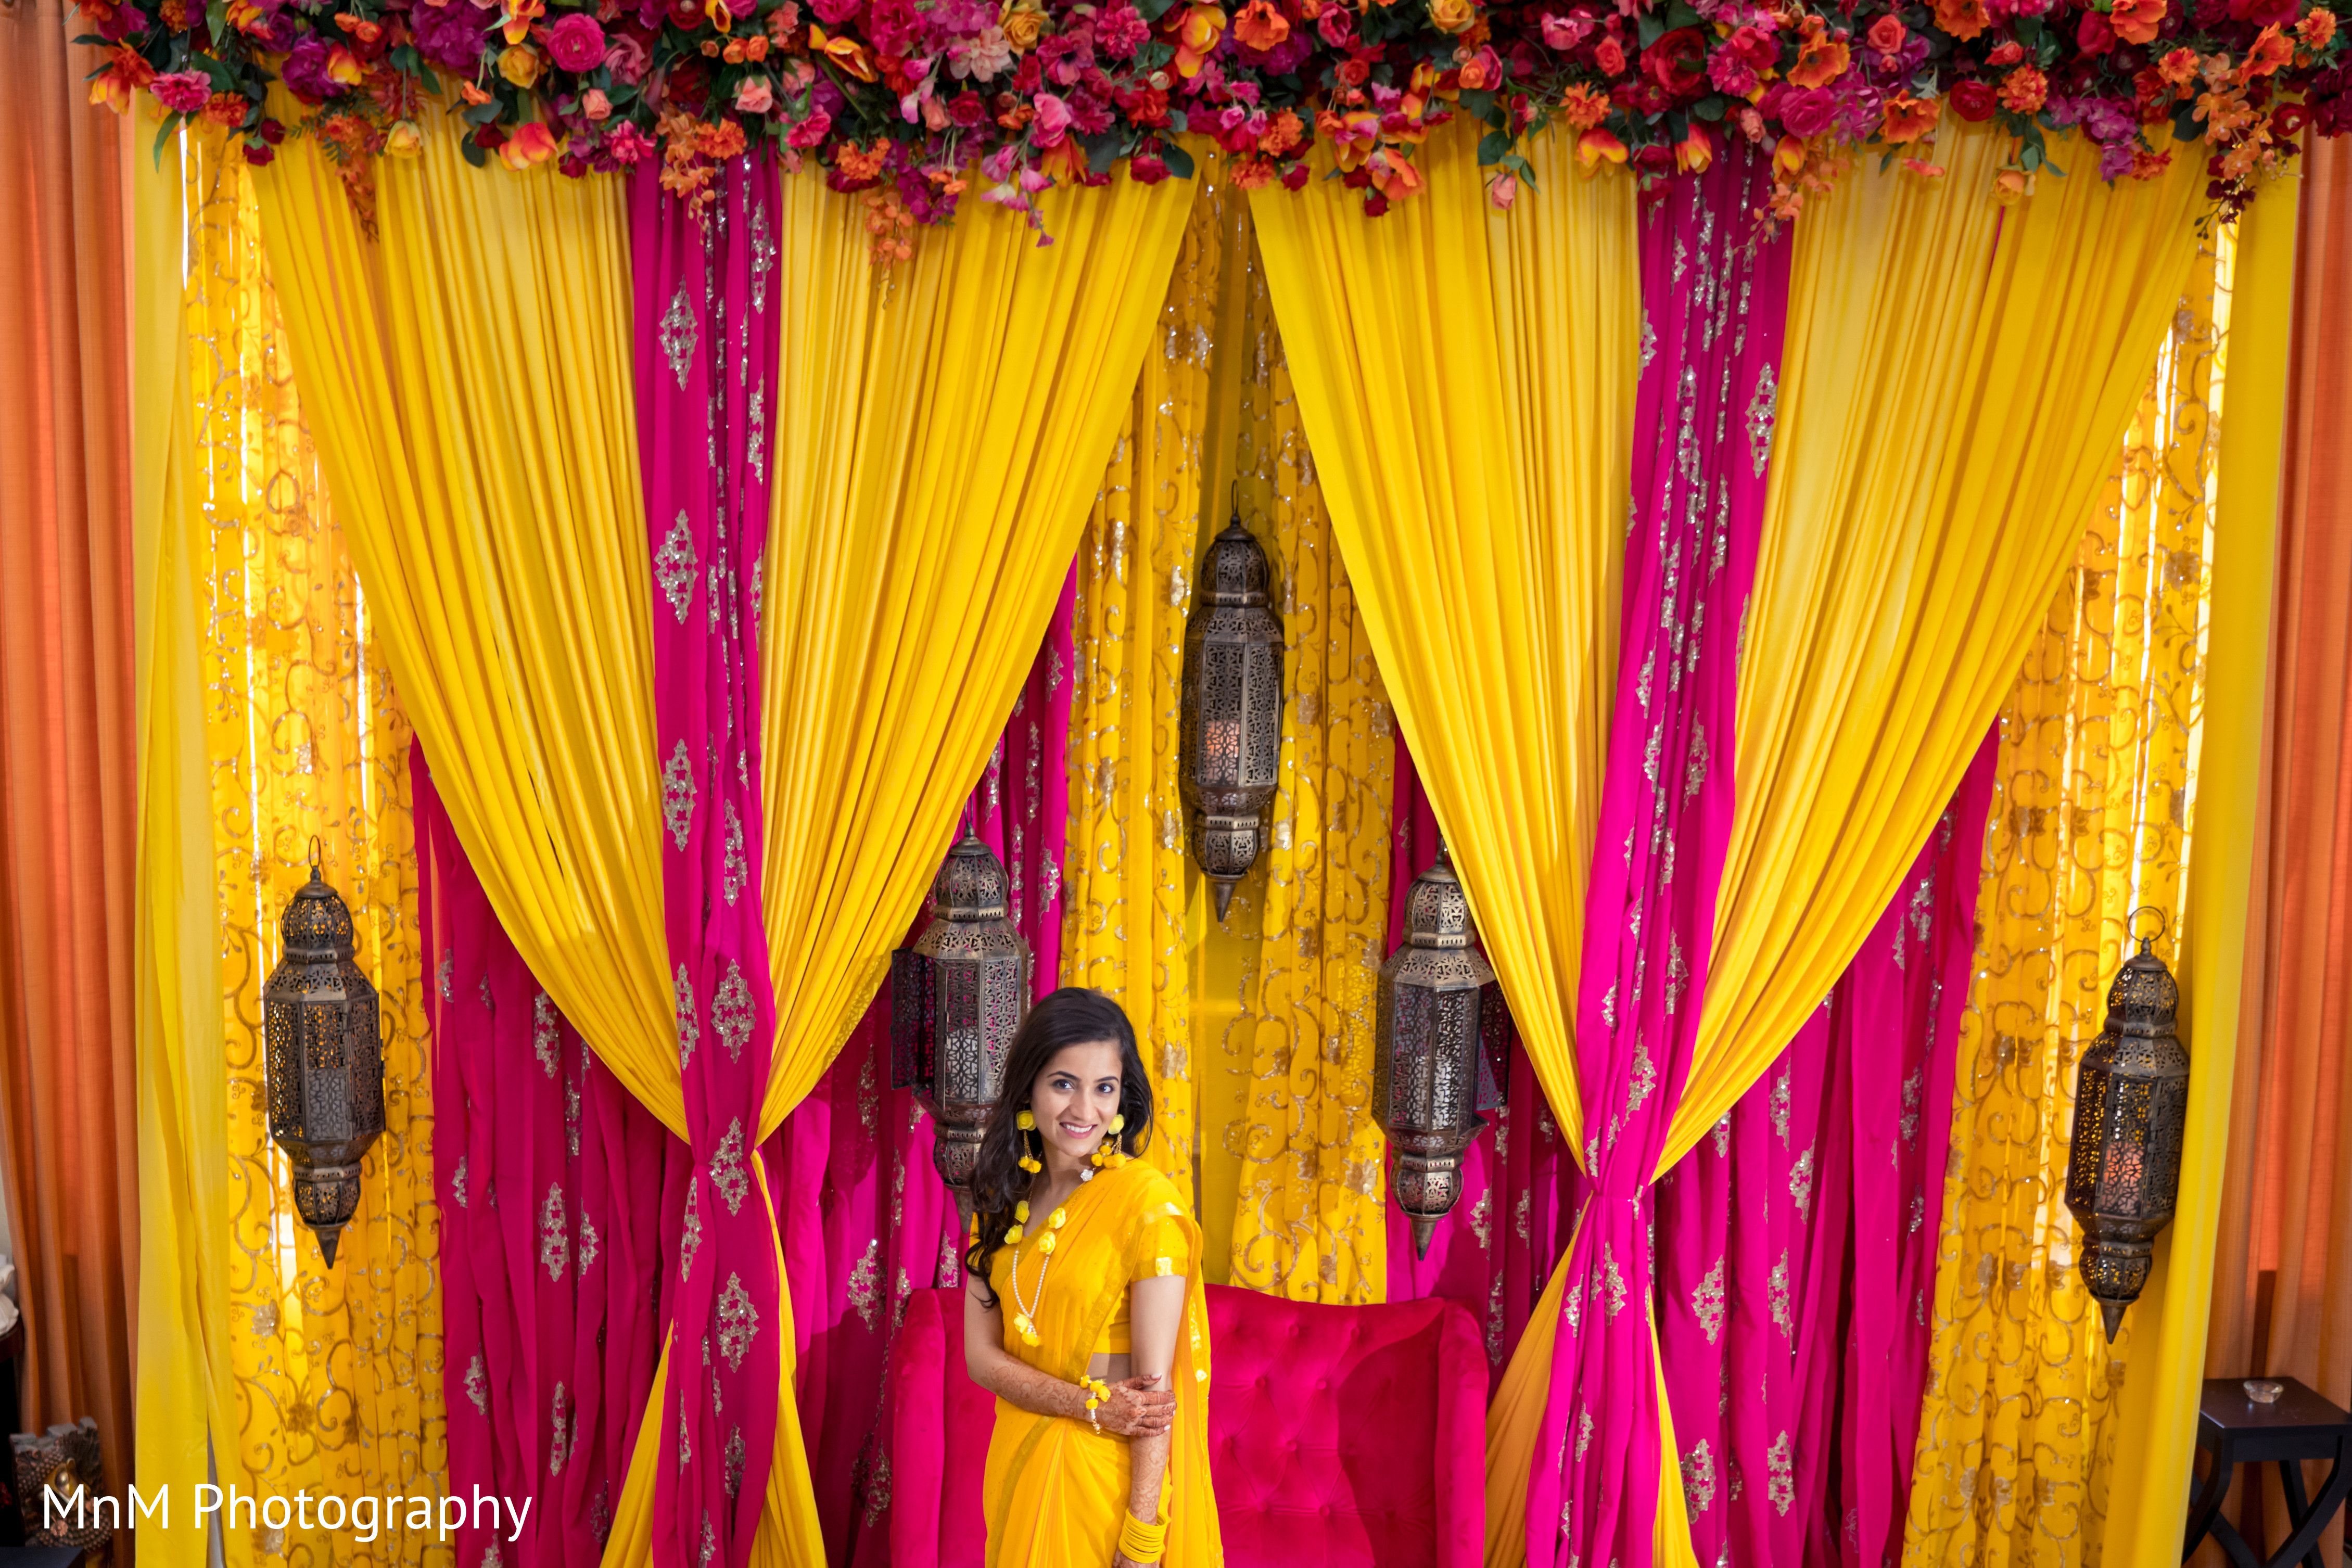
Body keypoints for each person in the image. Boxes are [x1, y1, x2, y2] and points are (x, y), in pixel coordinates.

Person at [963, 987, 1222, 1568]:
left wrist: (1141, 1540)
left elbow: (1153, 1398)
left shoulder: (1145, 1205)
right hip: (1019, 1463)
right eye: (1063, 1083)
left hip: (1103, 1485)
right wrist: (1087, 1403)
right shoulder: (1006, 1199)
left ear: (1122, 1098)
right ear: (1029, 1086)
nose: (1085, 1109)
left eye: (1104, 1088)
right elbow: (980, 1358)